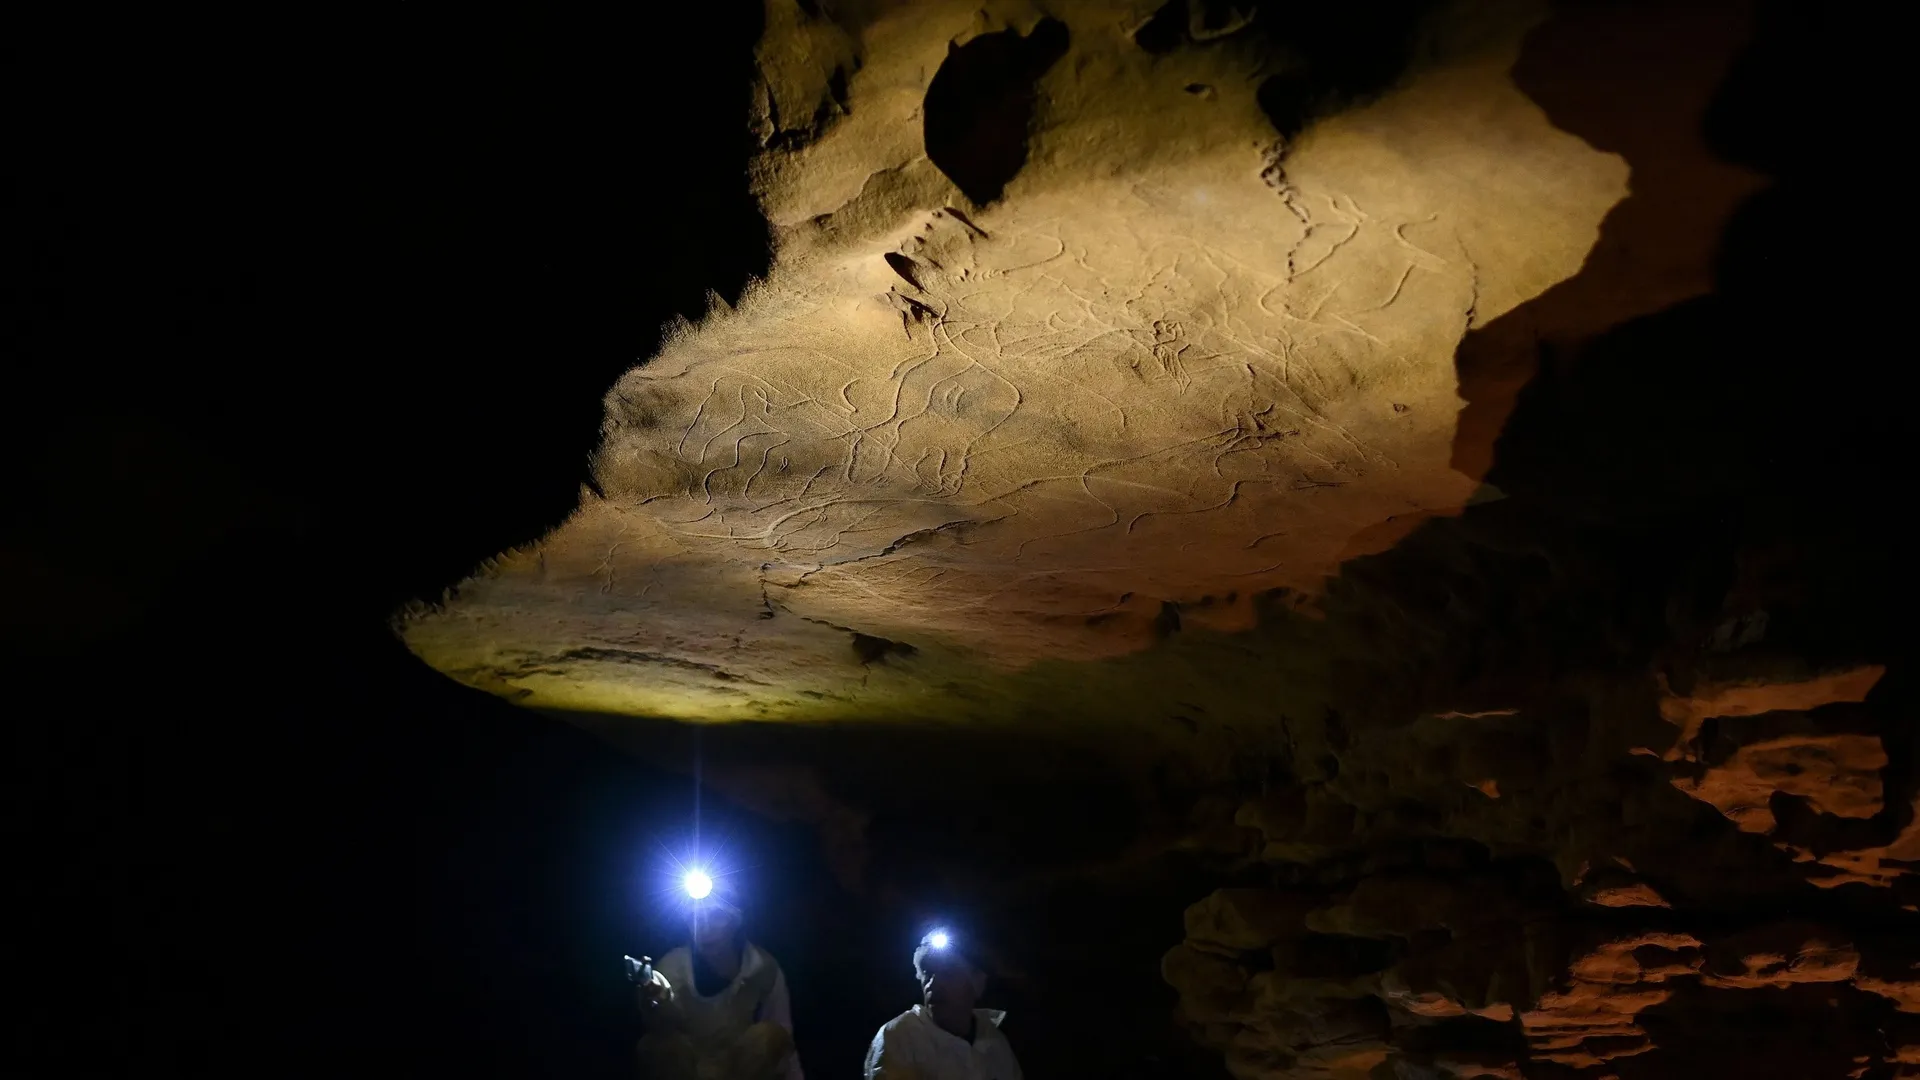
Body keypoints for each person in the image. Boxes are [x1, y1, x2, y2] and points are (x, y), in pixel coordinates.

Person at [636, 876, 803, 1080]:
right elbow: (661, 1033)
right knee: (658, 1045)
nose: (705, 928)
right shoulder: (672, 968)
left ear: (735, 921)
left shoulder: (762, 967)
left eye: (716, 916)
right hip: (692, 1069)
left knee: (770, 1036)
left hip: (740, 1069)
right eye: (696, 917)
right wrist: (654, 1004)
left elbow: (783, 1032)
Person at [863, 927, 1022, 1080]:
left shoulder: (995, 1042)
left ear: (976, 983)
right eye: (927, 971)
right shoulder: (900, 1036)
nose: (933, 983)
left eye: (948, 973)